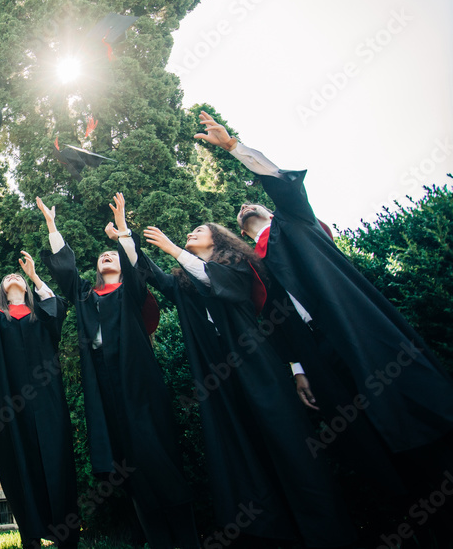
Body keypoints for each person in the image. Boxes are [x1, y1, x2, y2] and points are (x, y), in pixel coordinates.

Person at [194, 112, 453, 469]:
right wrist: (299, 368)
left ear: (272, 210)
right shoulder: (256, 268)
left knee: (409, 408)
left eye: (252, 203)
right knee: (365, 435)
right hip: (316, 351)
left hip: (352, 326)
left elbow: (278, 179)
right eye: (239, 211)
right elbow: (275, 321)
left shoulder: (296, 222)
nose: (243, 207)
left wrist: (234, 147)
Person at [140, 219, 356, 548]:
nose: (191, 234)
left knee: (289, 444)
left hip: (256, 366)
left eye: (200, 230)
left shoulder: (237, 264)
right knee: (244, 450)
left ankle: (328, 535)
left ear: (219, 239)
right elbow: (162, 280)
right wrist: (127, 237)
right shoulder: (188, 279)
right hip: (220, 379)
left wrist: (172, 248)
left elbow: (220, 283)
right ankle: (274, 535)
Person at [37, 193, 199, 549]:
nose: (106, 256)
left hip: (141, 385)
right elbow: (64, 267)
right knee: (128, 469)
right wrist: (52, 224)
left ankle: (188, 539)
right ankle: (157, 539)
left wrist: (124, 230)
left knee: (160, 459)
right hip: (103, 391)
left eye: (111, 254)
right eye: (101, 255)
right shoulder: (83, 293)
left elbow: (136, 263)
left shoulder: (131, 290)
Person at [0, 239, 79, 549]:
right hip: (10, 403)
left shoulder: (41, 317)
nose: (12, 278)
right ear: (2, 290)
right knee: (19, 461)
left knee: (56, 459)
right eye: (8, 278)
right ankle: (29, 534)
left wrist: (34, 276)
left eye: (15, 276)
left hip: (48, 401)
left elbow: (56, 307)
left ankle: (66, 535)